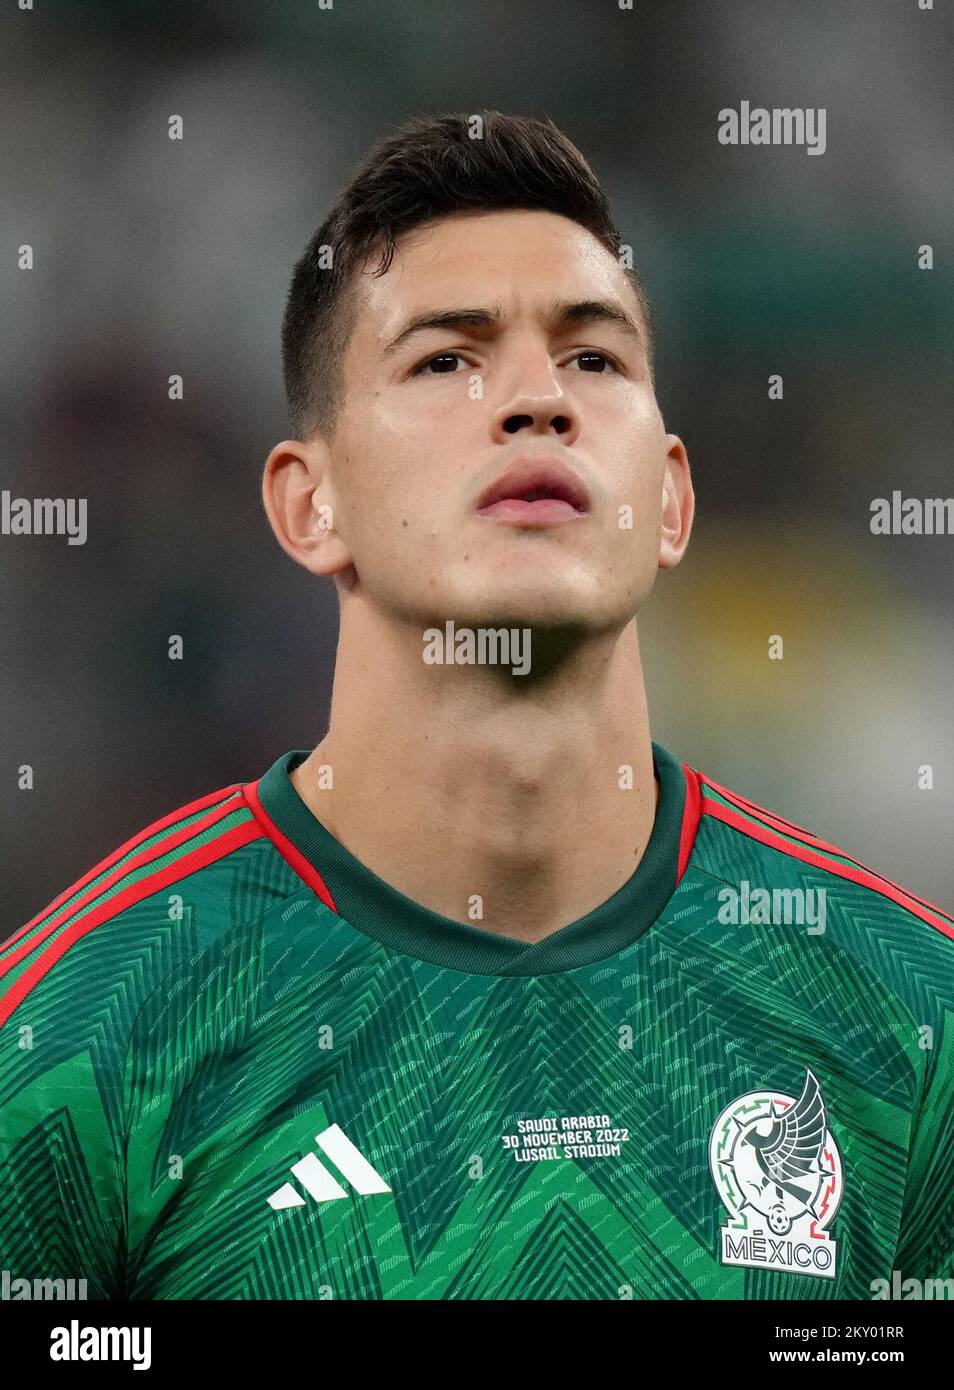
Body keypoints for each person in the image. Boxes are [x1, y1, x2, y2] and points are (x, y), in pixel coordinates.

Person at [1, 112, 951, 1301]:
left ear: (670, 500)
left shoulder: (912, 1024)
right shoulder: (70, 1044)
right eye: (446, 359)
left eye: (594, 358)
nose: (536, 400)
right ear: (311, 505)